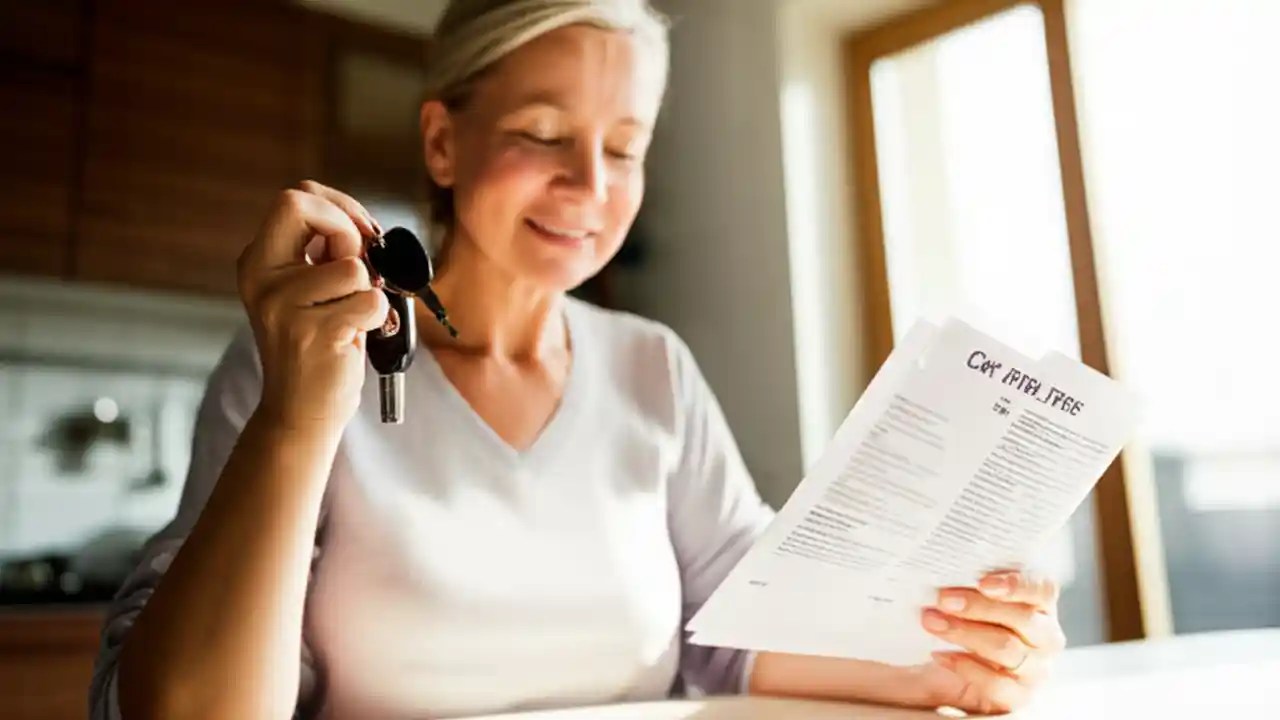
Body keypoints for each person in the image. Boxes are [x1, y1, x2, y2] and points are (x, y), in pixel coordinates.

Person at [89, 1, 1066, 718]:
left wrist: (950, 664)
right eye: (541, 134)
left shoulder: (652, 367)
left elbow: (739, 635)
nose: (587, 186)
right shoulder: (298, 364)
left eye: (625, 148)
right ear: (441, 141)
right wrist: (300, 419)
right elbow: (180, 711)